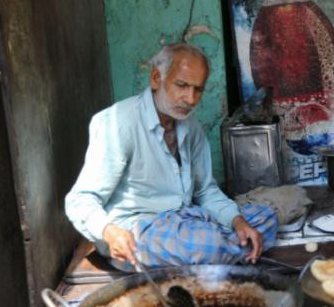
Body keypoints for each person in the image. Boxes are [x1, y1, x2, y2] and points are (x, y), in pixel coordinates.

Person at [65, 43, 278, 271]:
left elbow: (205, 192)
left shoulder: (190, 127)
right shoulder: (119, 123)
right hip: (138, 231)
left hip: (186, 221)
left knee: (265, 217)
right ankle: (220, 251)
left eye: (198, 89)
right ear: (156, 78)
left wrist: (237, 222)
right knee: (205, 245)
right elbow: (80, 200)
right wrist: (109, 231)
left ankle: (217, 251)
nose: (191, 98)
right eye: (182, 85)